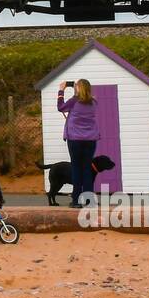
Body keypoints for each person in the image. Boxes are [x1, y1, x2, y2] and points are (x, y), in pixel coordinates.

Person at [57, 78, 100, 207]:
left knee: (76, 169)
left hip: (75, 140)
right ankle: (88, 200)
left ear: (78, 88)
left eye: (76, 86)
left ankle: (76, 201)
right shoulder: (93, 103)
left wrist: (61, 90)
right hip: (91, 139)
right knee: (87, 169)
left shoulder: (74, 101)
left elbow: (60, 107)